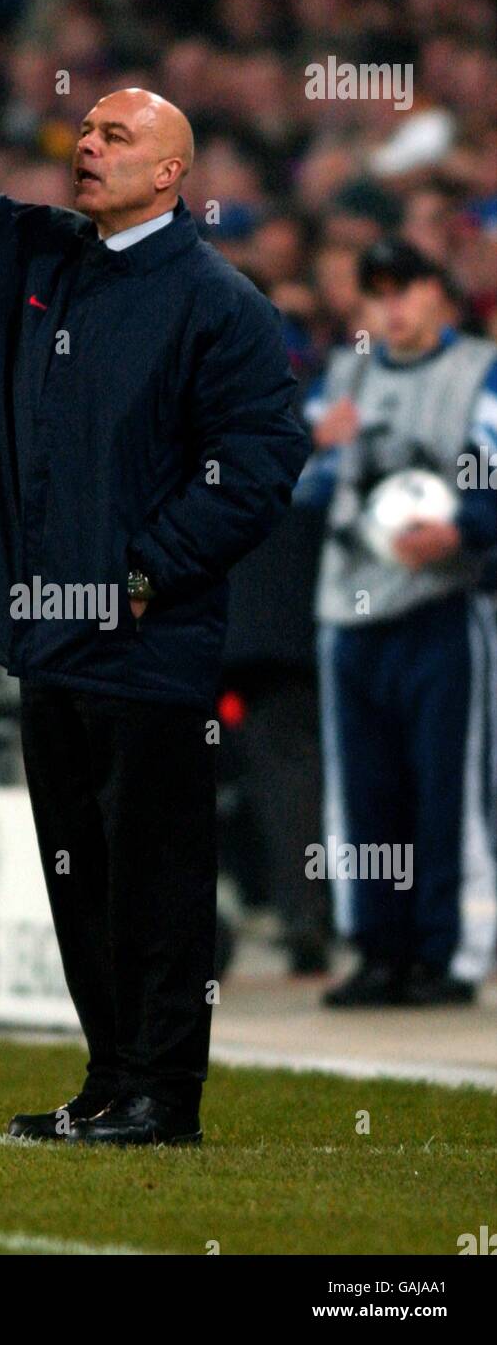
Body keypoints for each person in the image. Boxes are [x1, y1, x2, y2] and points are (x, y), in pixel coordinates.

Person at [0, 86, 309, 1146]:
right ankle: (111, 1081)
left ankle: (164, 1094)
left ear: (170, 175)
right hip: (44, 634)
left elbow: (259, 463)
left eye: (117, 137)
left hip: (147, 641)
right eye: (87, 132)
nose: (88, 147)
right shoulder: (31, 252)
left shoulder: (217, 301)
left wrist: (147, 570)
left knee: (153, 876)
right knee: (81, 875)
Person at [308, 239, 497, 1007]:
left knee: (447, 788)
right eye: (378, 292)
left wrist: (465, 528)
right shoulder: (345, 375)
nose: (392, 307)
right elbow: (298, 484)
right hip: (348, 610)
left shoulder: (478, 371)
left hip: (440, 605)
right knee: (364, 793)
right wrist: (315, 449)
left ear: (438, 296)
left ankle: (445, 954)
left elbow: (492, 468)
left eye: (407, 288)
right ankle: (379, 949)